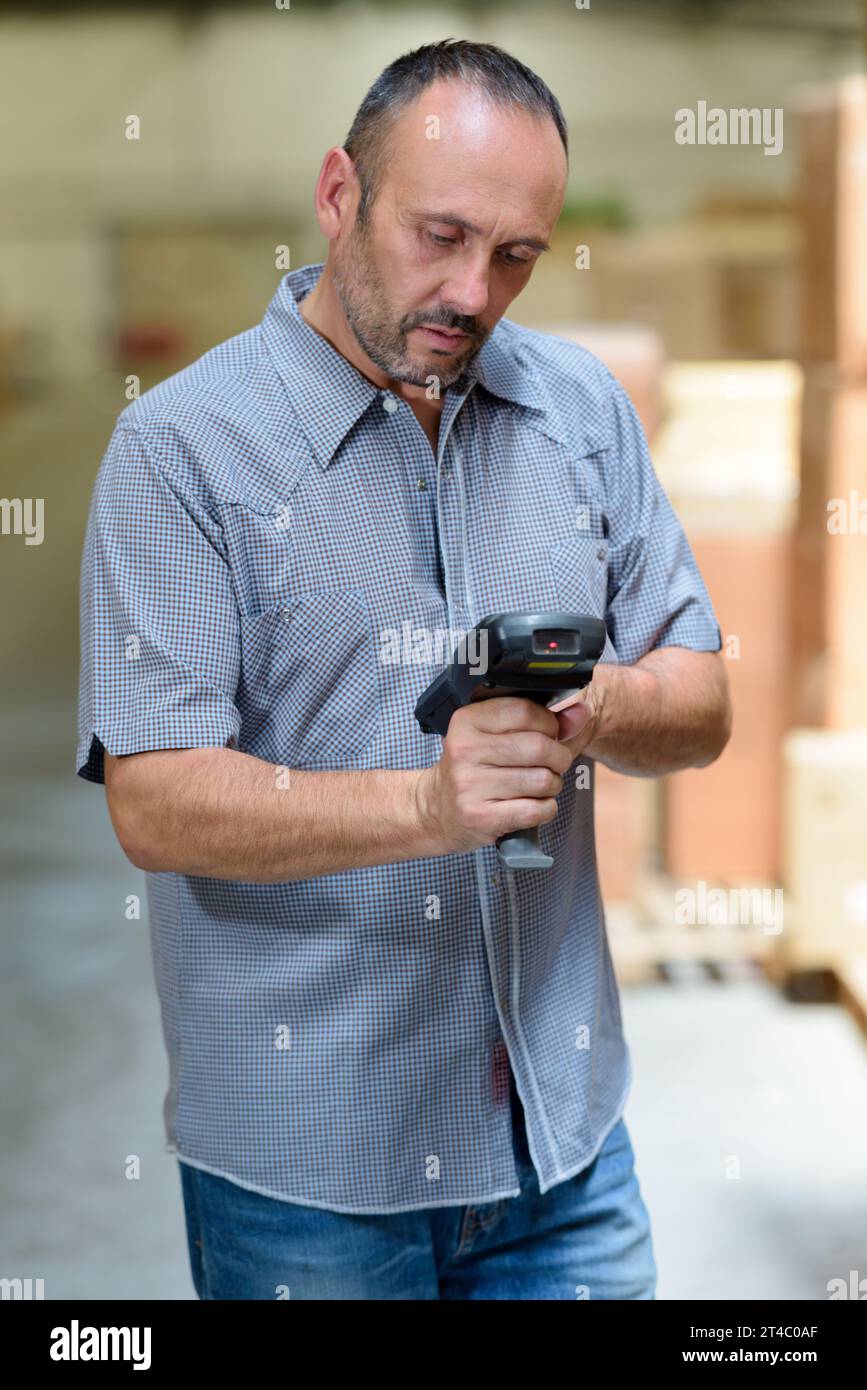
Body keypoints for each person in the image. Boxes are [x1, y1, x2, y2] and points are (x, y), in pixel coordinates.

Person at [77, 39, 730, 1300]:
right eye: (440, 234)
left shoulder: (581, 411)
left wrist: (600, 706)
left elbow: (700, 697)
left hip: (563, 1149)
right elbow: (152, 800)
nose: (474, 290)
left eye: (516, 257)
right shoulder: (182, 451)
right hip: (311, 1182)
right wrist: (428, 806)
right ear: (339, 194)